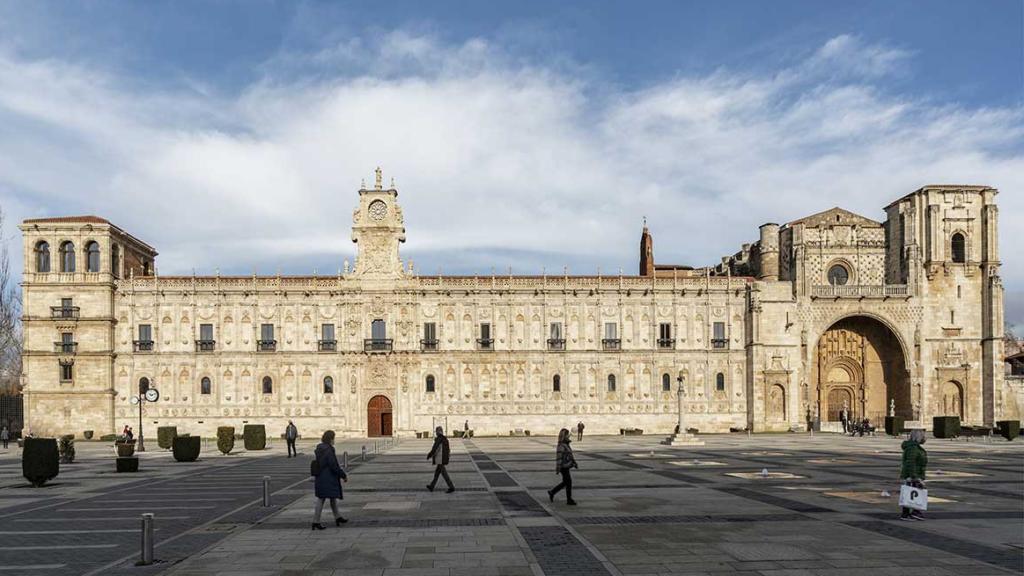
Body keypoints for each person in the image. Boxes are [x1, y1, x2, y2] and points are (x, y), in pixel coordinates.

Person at [312, 430, 348, 530]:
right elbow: (333, 465)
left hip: (322, 476)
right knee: (322, 499)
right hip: (328, 477)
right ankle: (316, 521)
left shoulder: (320, 448)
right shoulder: (328, 450)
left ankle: (337, 517)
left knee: (332, 497)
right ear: (330, 439)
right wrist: (343, 475)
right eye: (333, 438)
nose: (334, 440)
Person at [899, 429, 927, 521]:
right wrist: (915, 477)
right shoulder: (913, 448)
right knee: (915, 492)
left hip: (912, 475)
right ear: (919, 437)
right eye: (923, 436)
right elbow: (910, 463)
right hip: (913, 475)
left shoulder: (913, 447)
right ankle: (915, 512)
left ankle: (906, 514)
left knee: (908, 493)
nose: (925, 438)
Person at [547, 428, 578, 505]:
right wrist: (558, 467)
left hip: (566, 466)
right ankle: (569, 499)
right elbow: (559, 457)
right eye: (567, 435)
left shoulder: (565, 444)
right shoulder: (561, 445)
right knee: (568, 482)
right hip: (563, 467)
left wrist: (574, 462)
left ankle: (552, 492)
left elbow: (570, 455)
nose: (568, 436)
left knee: (566, 482)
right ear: (564, 436)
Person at [426, 426, 455, 493]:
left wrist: (429, 455)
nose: (436, 433)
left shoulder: (439, 439)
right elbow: (448, 450)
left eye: (436, 431)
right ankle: (431, 486)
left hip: (440, 459)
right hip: (443, 458)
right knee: (437, 473)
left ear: (438, 432)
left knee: (444, 474)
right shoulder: (445, 439)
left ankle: (451, 487)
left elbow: (435, 448)